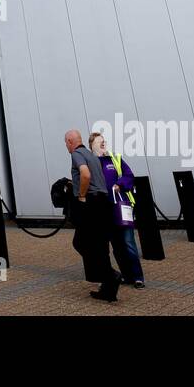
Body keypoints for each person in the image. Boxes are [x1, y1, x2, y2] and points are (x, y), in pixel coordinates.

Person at [65, 129, 120, 302]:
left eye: (66, 143)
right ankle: (108, 289)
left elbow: (85, 175)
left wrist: (81, 195)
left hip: (91, 204)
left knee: (80, 242)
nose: (66, 146)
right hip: (103, 203)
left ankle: (110, 275)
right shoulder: (92, 156)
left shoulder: (77, 154)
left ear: (70, 141)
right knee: (100, 245)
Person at [92, 132, 145, 289]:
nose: (103, 143)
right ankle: (127, 275)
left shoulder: (115, 159)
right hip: (106, 210)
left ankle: (138, 276)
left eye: (104, 141)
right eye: (99, 142)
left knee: (128, 242)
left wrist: (120, 184)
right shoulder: (92, 163)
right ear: (92, 145)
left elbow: (129, 175)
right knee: (117, 245)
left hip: (122, 207)